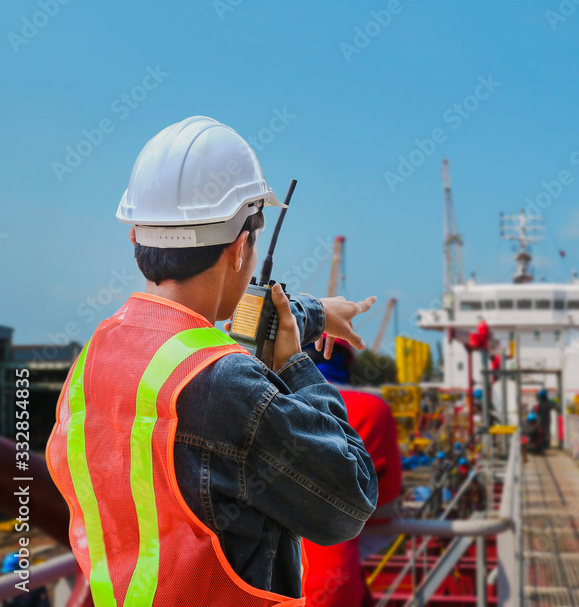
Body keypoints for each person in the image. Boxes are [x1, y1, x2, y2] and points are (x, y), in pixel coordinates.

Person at [46, 117, 378, 606]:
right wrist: (297, 370)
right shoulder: (224, 383)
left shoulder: (96, 356)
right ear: (241, 246)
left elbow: (220, 334)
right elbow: (348, 499)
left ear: (136, 237)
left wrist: (317, 313)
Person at [302, 338, 403, 607]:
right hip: (329, 581)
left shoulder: (259, 399)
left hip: (246, 582)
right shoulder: (371, 410)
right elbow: (383, 509)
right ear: (346, 361)